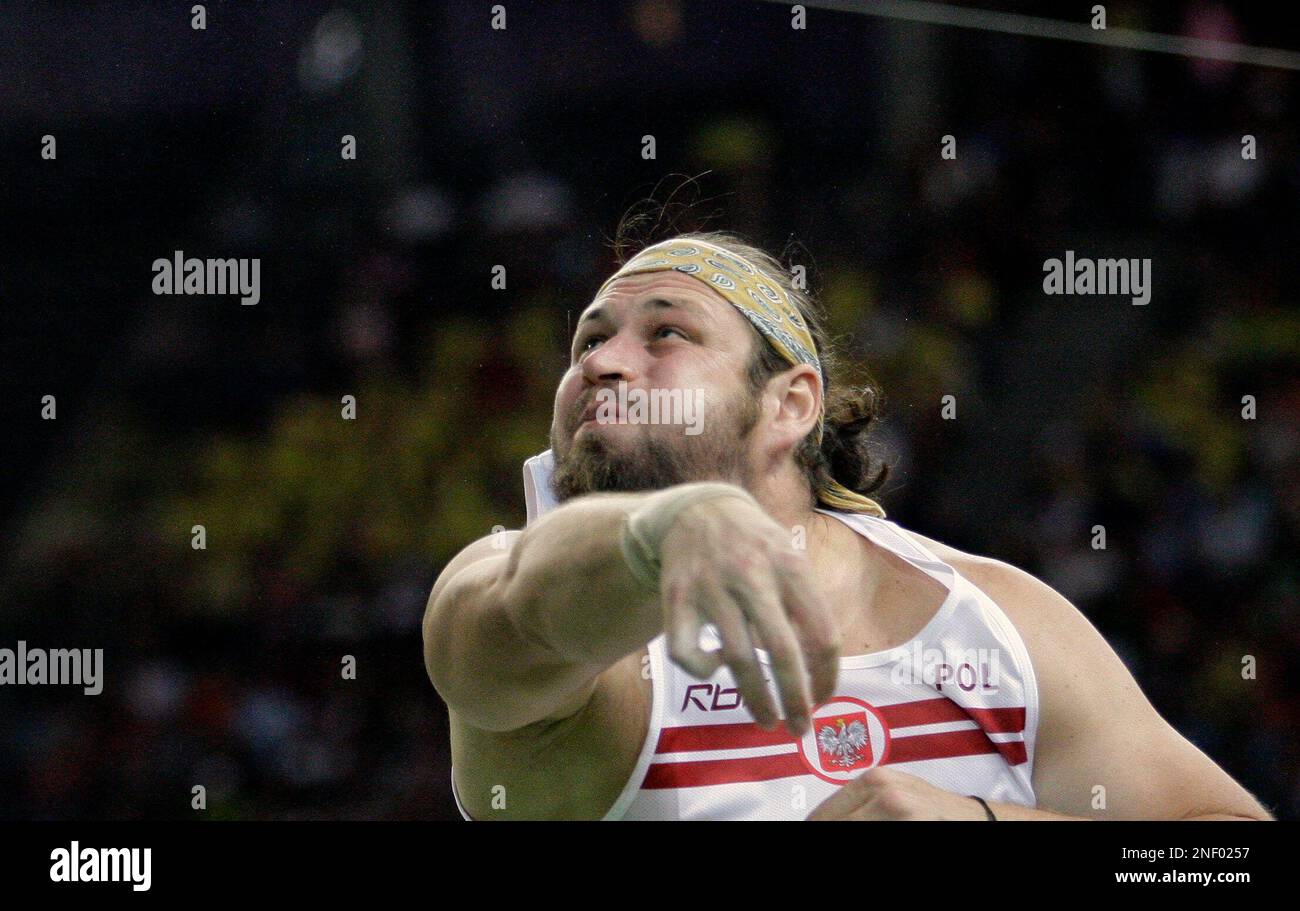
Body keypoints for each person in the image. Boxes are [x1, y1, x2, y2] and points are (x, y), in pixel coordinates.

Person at [422, 232, 1272, 821]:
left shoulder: (994, 620)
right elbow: (504, 622)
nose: (601, 361)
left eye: (666, 333)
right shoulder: (551, 615)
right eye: (588, 342)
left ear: (790, 403)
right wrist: (663, 535)